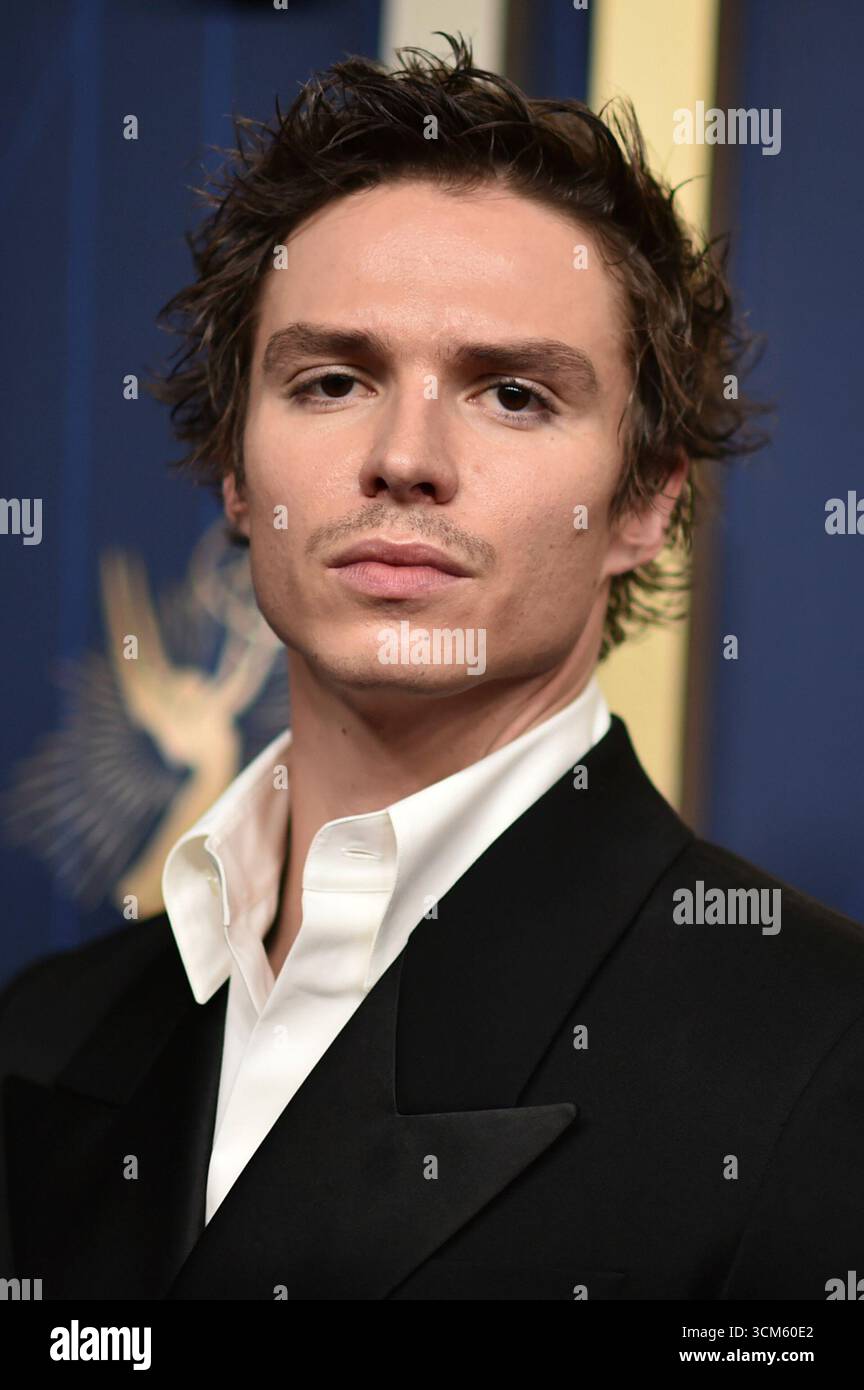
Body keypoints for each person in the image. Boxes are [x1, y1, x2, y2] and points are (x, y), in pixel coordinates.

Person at [2, 35, 863, 1302]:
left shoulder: (829, 1059)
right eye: (334, 378)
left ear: (646, 504)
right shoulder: (41, 1032)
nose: (406, 456)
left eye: (512, 394)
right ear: (238, 471)